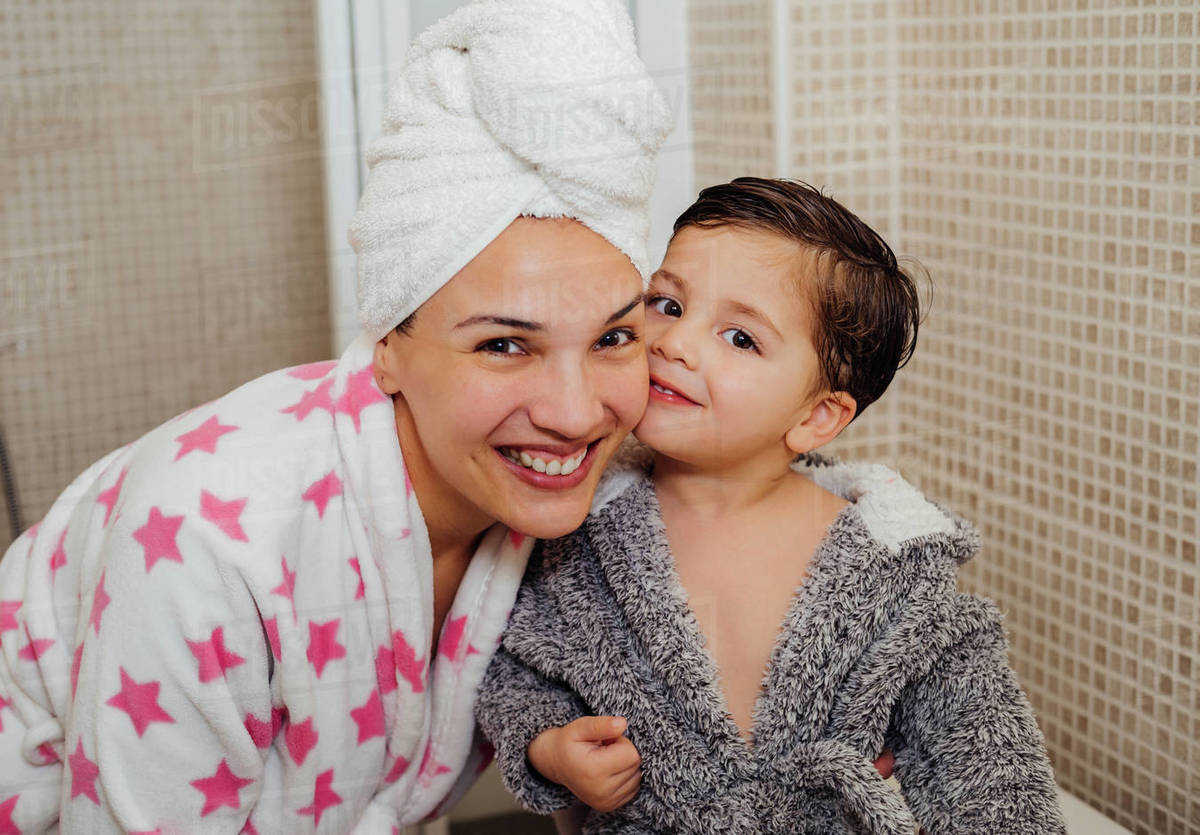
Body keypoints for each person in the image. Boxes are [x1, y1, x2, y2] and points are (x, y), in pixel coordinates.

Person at [0, 0, 672, 831]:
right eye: (504, 345)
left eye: (614, 335)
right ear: (387, 343)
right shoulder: (209, 538)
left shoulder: (593, 516)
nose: (576, 414)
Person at [474, 178, 1068, 834]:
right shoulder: (582, 533)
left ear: (817, 415)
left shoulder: (888, 564)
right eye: (667, 303)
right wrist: (550, 748)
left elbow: (985, 753)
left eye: (739, 338)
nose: (675, 341)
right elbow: (514, 669)